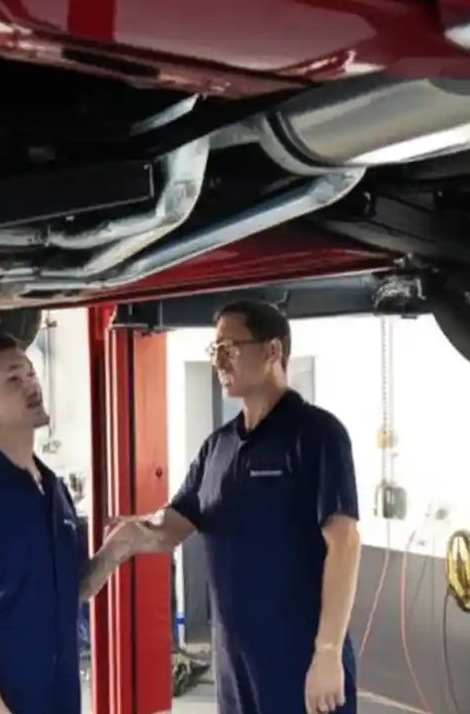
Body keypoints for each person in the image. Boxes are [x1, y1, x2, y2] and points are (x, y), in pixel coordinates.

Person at [120, 299, 363, 714]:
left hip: (299, 659)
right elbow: (172, 527)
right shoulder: (218, 447)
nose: (219, 361)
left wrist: (327, 653)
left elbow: (345, 543)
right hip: (234, 666)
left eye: (229, 348)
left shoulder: (318, 435)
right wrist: (122, 543)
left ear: (272, 351)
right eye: (214, 351)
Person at [0, 328, 157, 714]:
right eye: (13, 378)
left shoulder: (50, 488)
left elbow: (63, 593)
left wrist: (113, 553)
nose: (31, 384)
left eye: (30, 374)